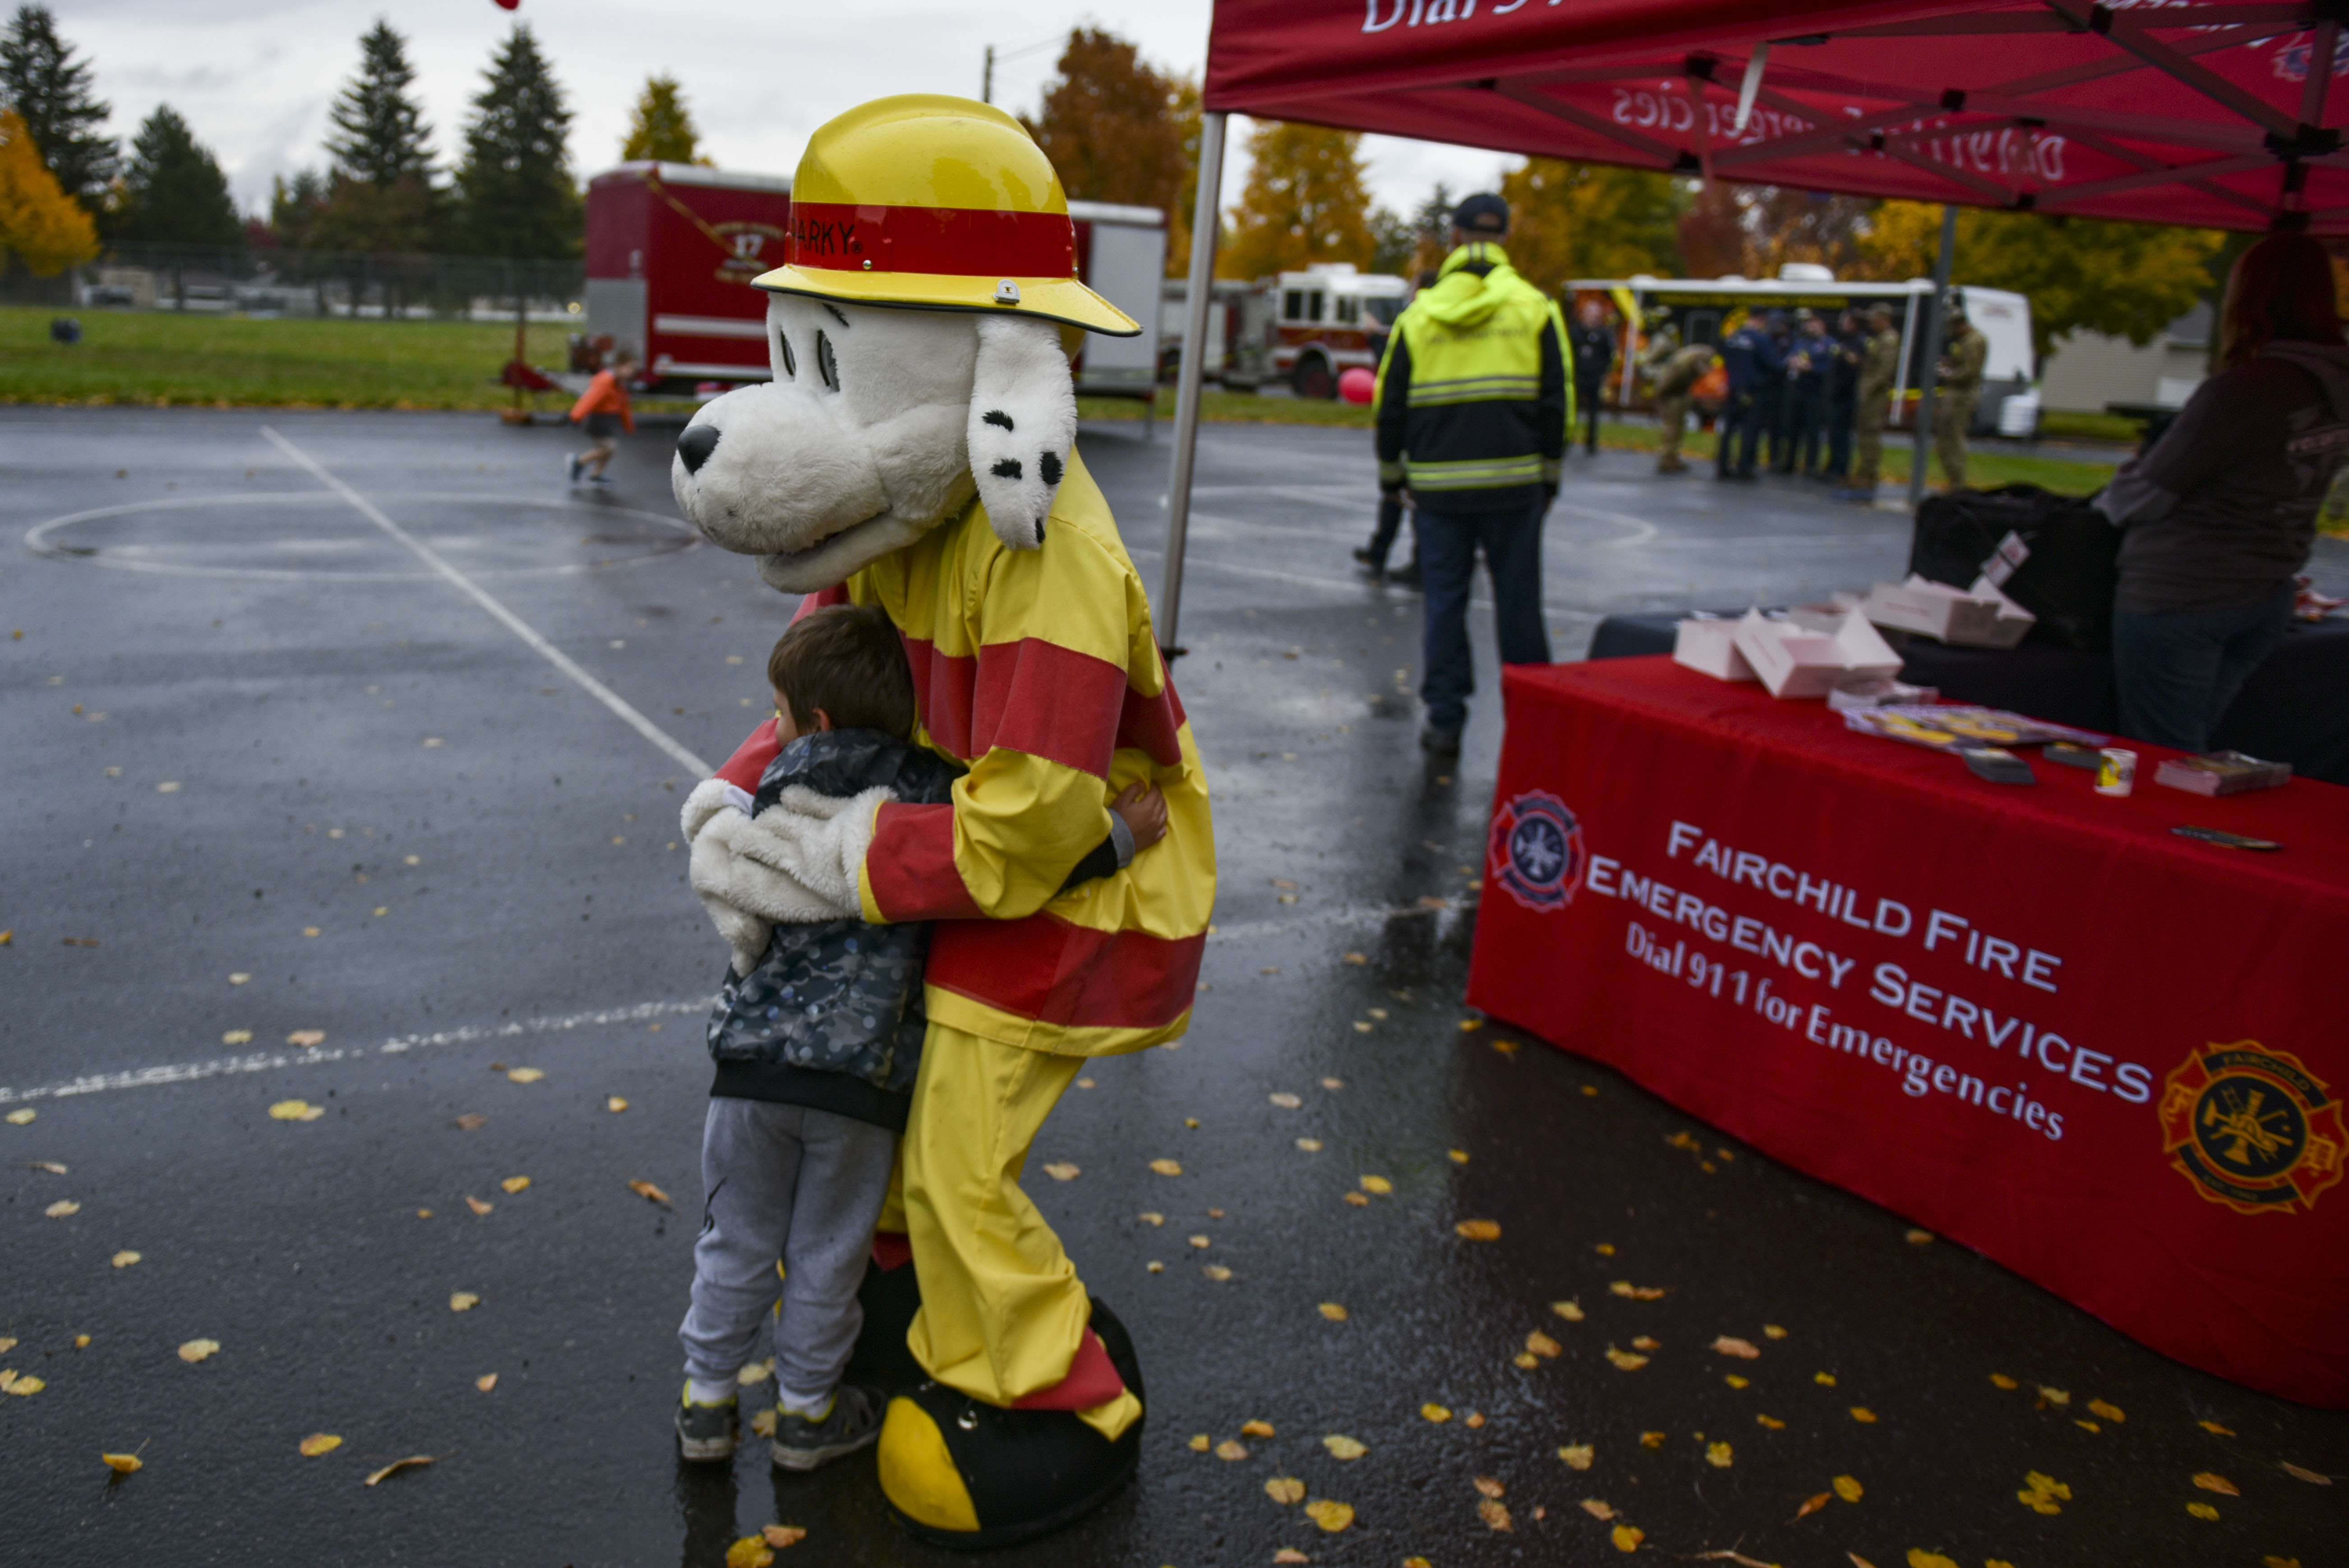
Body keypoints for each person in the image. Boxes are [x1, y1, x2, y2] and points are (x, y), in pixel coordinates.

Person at [674, 604, 1166, 1470]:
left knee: (735, 1241)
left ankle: (706, 1402)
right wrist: (1120, 836)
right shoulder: (927, 795)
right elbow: (1011, 859)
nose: (773, 727)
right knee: (829, 1257)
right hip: (857, 1087)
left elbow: (742, 907)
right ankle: (805, 1417)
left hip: (749, 1074)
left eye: (778, 711)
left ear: (813, 724)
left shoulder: (773, 786)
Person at [2096, 232, 2349, 753]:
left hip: (2183, 593)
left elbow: (2150, 490)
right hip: (2265, 588)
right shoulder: (2334, 388)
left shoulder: (2246, 390)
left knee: (2162, 759)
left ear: (2247, 297)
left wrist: (2114, 493)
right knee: (2194, 752)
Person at [1372, 191, 1569, 756]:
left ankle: (1444, 718)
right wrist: (1548, 478)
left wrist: (1392, 479)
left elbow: (1390, 406)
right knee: (1519, 604)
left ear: (1455, 237)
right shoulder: (1535, 308)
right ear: (1504, 236)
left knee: (1444, 603)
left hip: (1438, 491)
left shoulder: (1420, 314)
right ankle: (1534, 720)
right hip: (1514, 487)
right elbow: (1558, 404)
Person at [1355, 270, 1440, 586]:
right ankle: (1380, 551)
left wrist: (1375, 338)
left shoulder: (1418, 323)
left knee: (1406, 495)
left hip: (1414, 428)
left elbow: (1394, 366)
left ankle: (1414, 561)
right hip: (1423, 427)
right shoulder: (1429, 323)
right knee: (1401, 497)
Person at [1845, 303, 1901, 501]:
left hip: (1874, 397)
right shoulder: (1879, 339)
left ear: (1884, 319)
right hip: (1868, 394)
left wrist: (1868, 391)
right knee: (1864, 436)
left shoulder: (1889, 340)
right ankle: (1863, 476)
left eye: (1874, 320)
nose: (1871, 324)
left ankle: (1868, 479)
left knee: (1870, 436)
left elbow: (1884, 372)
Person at [1646, 323, 1715, 477]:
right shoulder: (1682, 364)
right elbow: (1665, 386)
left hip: (1679, 394)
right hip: (1671, 396)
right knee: (1672, 428)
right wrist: (1661, 402)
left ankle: (1673, 457)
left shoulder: (1694, 355)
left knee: (1678, 427)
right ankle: (1667, 458)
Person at [1934, 293, 1986, 489]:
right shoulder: (1964, 342)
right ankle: (1953, 480)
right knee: (1944, 438)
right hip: (1955, 394)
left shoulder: (1974, 341)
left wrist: (1948, 374)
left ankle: (1958, 483)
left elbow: (1970, 371)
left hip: (1963, 395)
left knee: (1954, 438)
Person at [1715, 312, 1776, 480]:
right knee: (1750, 430)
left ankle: (1722, 466)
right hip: (1753, 390)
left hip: (1733, 387)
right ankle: (1744, 468)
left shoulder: (1734, 337)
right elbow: (1772, 364)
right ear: (1761, 320)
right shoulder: (1761, 340)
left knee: (1728, 430)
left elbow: (1725, 357)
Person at [567, 348, 637, 484]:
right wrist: (576, 417)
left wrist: (629, 426)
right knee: (609, 448)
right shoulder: (606, 381)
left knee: (608, 450)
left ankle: (596, 474)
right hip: (599, 420)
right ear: (618, 365)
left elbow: (624, 407)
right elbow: (590, 399)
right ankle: (579, 462)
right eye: (629, 368)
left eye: (633, 369)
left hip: (609, 421)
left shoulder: (620, 383)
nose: (632, 372)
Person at [1780, 310, 1831, 475]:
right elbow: (1788, 358)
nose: (1810, 326)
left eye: (1813, 323)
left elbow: (1830, 369)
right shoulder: (1800, 343)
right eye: (1808, 324)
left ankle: (1811, 465)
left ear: (1822, 325)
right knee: (1792, 429)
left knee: (1812, 431)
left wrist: (1810, 368)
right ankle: (1789, 461)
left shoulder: (1828, 344)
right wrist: (1791, 361)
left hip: (1815, 393)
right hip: (1796, 391)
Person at [1570, 297, 1616, 455]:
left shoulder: (1604, 334)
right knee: (1572, 411)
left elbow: (1608, 356)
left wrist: (1603, 372)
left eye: (1596, 314)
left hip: (1595, 377)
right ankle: (1568, 439)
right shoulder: (1575, 332)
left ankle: (1591, 443)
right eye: (1590, 313)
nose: (1593, 317)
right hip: (1577, 377)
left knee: (1594, 413)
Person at [1823, 309, 1864, 482]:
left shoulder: (1859, 343)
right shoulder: (1844, 341)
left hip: (1847, 395)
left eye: (1845, 321)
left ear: (1854, 323)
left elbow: (1853, 371)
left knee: (1842, 434)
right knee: (1834, 433)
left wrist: (1839, 388)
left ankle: (1840, 469)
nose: (1841, 324)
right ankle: (1832, 465)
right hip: (1837, 394)